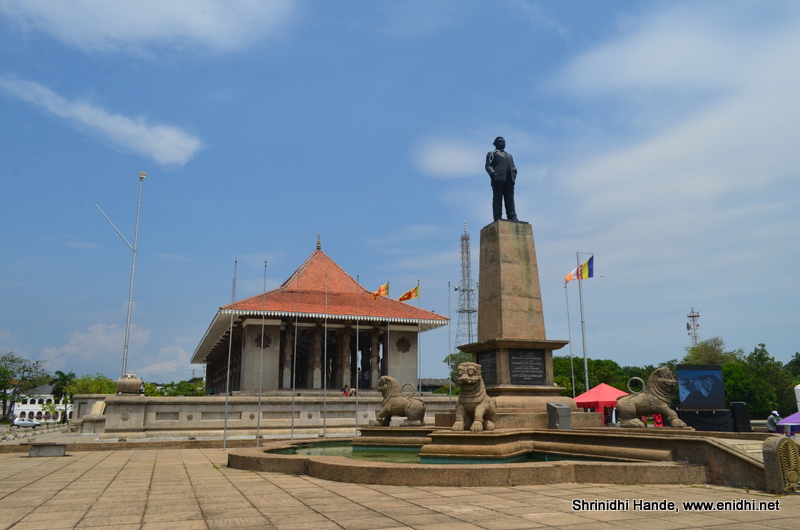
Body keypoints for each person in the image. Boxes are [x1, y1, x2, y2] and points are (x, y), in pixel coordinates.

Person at [485, 136, 518, 221]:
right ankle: (497, 216)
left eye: (503, 141)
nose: (502, 143)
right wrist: (493, 174)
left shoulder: (509, 156)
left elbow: (513, 167)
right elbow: (488, 165)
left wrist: (513, 174)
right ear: (495, 143)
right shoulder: (492, 153)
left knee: (510, 198)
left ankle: (512, 216)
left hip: (509, 179)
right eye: (500, 141)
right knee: (497, 198)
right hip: (498, 178)